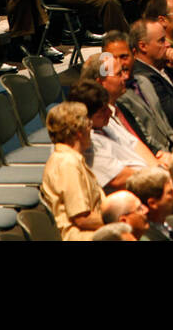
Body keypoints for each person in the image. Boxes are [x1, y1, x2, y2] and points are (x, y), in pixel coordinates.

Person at [40, 101, 105, 241]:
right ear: (78, 133)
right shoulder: (68, 164)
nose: (91, 131)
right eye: (88, 126)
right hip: (80, 235)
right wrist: (121, 221)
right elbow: (82, 219)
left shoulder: (71, 159)